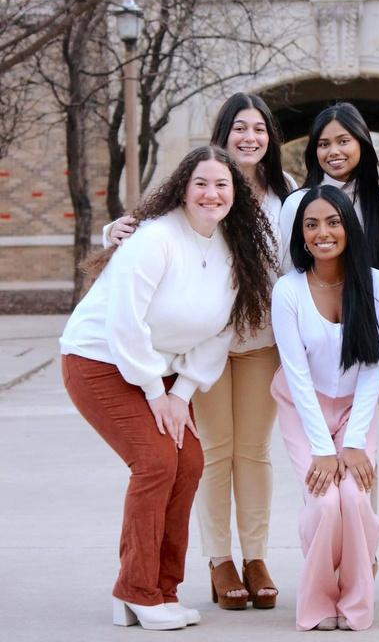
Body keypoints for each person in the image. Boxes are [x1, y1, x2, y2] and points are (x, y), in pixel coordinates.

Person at [60, 146, 276, 631]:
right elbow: (124, 321)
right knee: (156, 461)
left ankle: (162, 589)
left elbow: (222, 332)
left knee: (190, 462)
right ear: (183, 187)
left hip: (165, 374)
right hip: (99, 360)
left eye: (222, 184)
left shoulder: (231, 248)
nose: (211, 193)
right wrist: (157, 393)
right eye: (201, 182)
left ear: (235, 194)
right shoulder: (155, 238)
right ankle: (135, 590)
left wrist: (181, 394)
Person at [104, 93, 295, 610]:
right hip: (199, 349)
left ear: (270, 139)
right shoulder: (206, 181)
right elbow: (153, 224)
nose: (249, 137)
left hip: (260, 343)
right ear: (222, 134)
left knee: (253, 452)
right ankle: (219, 560)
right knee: (212, 453)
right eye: (239, 128)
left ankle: (255, 556)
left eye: (259, 128)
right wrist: (114, 229)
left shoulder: (287, 194)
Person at [271, 185, 379, 631]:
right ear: (301, 236)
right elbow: (296, 375)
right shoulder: (287, 291)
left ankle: (357, 600)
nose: (322, 232)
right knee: (325, 504)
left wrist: (356, 442)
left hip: (355, 411)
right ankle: (319, 601)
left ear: (349, 226)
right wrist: (324, 448)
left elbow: (373, 370)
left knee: (356, 499)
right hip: (303, 408)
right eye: (311, 224)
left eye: (332, 221)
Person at [279, 102, 379, 271]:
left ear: (362, 144)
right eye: (324, 144)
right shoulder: (297, 203)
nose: (333, 151)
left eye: (343, 141)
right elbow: (286, 270)